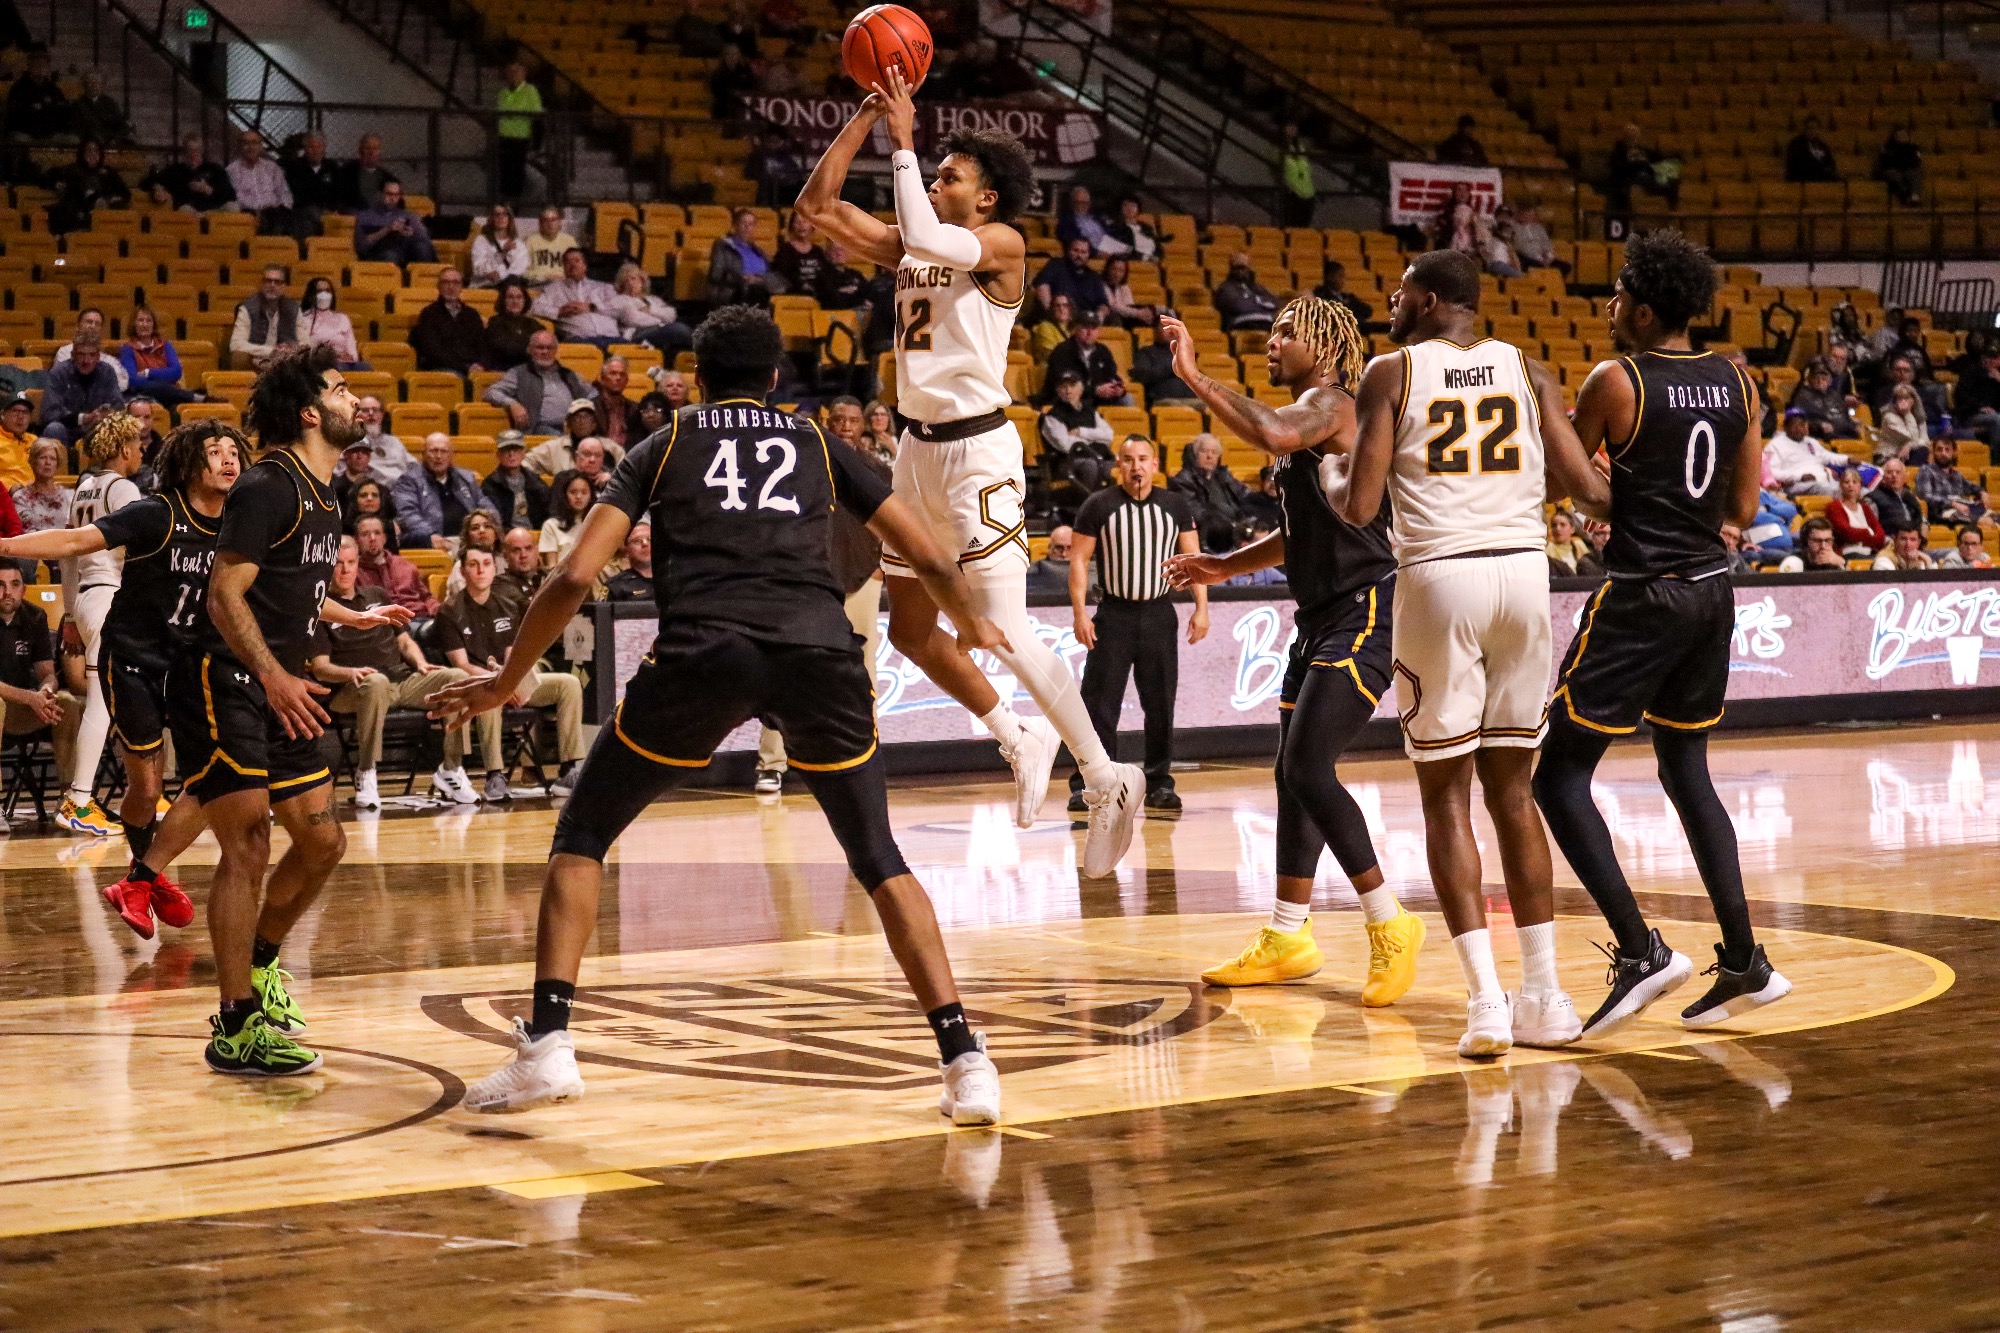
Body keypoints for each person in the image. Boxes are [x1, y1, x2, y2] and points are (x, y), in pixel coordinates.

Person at [432, 304, 1008, 1122]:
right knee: (880, 857)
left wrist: (503, 681)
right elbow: (930, 555)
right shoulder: (819, 442)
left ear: (696, 381)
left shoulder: (662, 444)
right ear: (777, 378)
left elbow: (569, 579)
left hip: (705, 652)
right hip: (818, 651)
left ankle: (549, 1046)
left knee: (584, 834)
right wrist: (969, 623)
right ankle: (964, 1060)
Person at [794, 71, 1148, 876]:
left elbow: (924, 235)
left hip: (977, 455)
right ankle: (1016, 732)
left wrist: (907, 140)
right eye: (937, 171)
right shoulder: (913, 245)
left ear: (986, 200)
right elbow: (816, 210)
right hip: (915, 452)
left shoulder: (1001, 247)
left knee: (1003, 626)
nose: (940, 178)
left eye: (954, 173)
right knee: (912, 631)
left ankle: (1104, 774)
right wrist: (863, 120)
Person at [1334, 249, 1610, 1056]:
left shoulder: (1391, 370)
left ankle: (1487, 1002)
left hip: (1440, 579)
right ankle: (1549, 998)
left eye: (1397, 289)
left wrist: (1330, 477)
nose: (1388, 298)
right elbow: (1583, 486)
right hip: (1524, 575)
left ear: (1426, 300)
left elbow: (1359, 504)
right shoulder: (1527, 368)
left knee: (1445, 798)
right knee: (1513, 793)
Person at [1530, 229, 1789, 1035]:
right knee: (1687, 770)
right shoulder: (1737, 382)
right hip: (1714, 591)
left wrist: (1543, 401)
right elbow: (1744, 513)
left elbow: (1566, 486)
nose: (1608, 307)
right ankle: (1745, 959)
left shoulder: (1617, 378)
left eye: (1615, 295)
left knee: (1557, 776)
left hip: (1646, 594)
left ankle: (1642, 951)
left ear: (1643, 308)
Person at [1157, 295, 1424, 1002]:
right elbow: (1300, 529)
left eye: (1285, 332)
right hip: (1318, 617)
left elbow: (1273, 433)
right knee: (1291, 773)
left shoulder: (1334, 403)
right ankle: (1287, 932)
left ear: (1326, 345)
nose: (1271, 342)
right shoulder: (1318, 418)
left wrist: (1194, 375)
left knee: (1308, 764)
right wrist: (1222, 566)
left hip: (1364, 608)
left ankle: (1389, 920)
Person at [175, 345, 402, 1076]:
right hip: (227, 679)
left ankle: (264, 962)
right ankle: (235, 1024)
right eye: (340, 389)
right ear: (310, 412)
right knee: (247, 846)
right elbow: (225, 594)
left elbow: (291, 590)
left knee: (324, 842)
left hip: (281, 683)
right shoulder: (268, 485)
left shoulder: (327, 492)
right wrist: (274, 675)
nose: (354, 398)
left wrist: (351, 617)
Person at [7, 423, 243, 911]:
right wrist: (7, 547)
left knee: (205, 779)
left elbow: (275, 590)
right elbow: (75, 543)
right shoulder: (154, 513)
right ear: (188, 463)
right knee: (148, 784)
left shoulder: (238, 527)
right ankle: (137, 868)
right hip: (133, 657)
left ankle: (140, 880)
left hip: (185, 663)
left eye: (234, 451)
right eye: (215, 451)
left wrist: (353, 614)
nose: (228, 459)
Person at [1066, 435, 1206, 814]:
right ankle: (1091, 782)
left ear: (1155, 464)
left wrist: (1201, 607)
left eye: (1143, 459)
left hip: (1160, 613)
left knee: (1160, 703)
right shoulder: (1099, 505)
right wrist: (1080, 613)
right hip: (1114, 615)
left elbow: (1193, 559)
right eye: (1128, 459)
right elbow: (1079, 560)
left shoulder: (1175, 504)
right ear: (1118, 465)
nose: (1136, 466)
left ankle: (1160, 782)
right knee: (1098, 704)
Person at [308, 536, 469, 809]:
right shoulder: (320, 608)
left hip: (400, 680)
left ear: (358, 564)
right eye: (338, 564)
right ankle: (366, 772)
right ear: (327, 566)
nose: (345, 570)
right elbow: (321, 668)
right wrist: (350, 673)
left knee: (456, 679)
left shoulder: (377, 595)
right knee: (376, 682)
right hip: (351, 690)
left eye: (350, 563)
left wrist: (420, 663)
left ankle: (451, 768)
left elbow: (405, 641)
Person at [46, 411, 146, 836]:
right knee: (105, 706)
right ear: (124, 449)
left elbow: (68, 554)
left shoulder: (83, 488)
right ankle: (79, 800)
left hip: (87, 597)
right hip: (109, 596)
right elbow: (140, 549)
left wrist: (70, 613)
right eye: (138, 444)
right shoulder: (123, 487)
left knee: (126, 700)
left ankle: (142, 788)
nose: (142, 451)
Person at [432, 543, 587, 800]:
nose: (481, 570)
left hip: (508, 677)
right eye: (473, 564)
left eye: (487, 564)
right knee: (490, 692)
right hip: (477, 682)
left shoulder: (508, 604)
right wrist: (501, 682)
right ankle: (495, 775)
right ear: (462, 570)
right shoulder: (449, 610)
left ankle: (568, 769)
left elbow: (513, 654)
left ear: (495, 569)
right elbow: (461, 664)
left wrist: (512, 680)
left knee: (567, 683)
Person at [0, 564, 83, 806]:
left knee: (66, 703)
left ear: (24, 590)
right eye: (1, 585)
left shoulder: (34, 616)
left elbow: (47, 672)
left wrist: (45, 691)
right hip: (6, 706)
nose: (8, 592)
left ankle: (70, 799)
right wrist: (30, 698)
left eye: (14, 585)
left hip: (23, 709)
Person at [392, 433, 498, 551]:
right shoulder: (409, 480)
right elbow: (407, 514)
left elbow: (487, 507)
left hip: (470, 541)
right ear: (423, 455)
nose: (438, 456)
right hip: (435, 543)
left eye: (444, 451)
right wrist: (429, 535)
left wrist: (491, 527)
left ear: (451, 455)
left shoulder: (466, 478)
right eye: (433, 451)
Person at [486, 331, 595, 434]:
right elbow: (492, 392)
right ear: (530, 350)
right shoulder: (519, 373)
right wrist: (512, 404)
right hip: (539, 427)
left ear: (556, 350)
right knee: (564, 442)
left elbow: (592, 394)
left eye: (550, 348)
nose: (545, 352)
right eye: (540, 347)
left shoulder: (569, 375)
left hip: (573, 427)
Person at [1037, 369, 1115, 499]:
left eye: (1073, 385)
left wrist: (1081, 432)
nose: (1068, 391)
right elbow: (1066, 446)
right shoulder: (1053, 416)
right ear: (1057, 390)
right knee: (1090, 466)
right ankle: (1087, 508)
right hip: (1066, 462)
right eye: (1063, 386)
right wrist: (1095, 438)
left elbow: (1109, 436)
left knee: (1112, 467)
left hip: (1094, 457)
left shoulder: (1089, 411)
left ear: (1082, 388)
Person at [1169, 434, 1252, 553]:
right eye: (1204, 451)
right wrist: (1232, 526)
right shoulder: (1183, 480)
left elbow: (1246, 497)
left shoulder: (1224, 477)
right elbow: (1196, 515)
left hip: (1236, 534)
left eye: (1214, 452)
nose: (1209, 456)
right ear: (1194, 454)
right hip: (1210, 538)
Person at [40, 332, 124, 447]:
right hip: (68, 430)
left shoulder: (107, 372)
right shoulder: (59, 372)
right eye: (81, 355)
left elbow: (118, 406)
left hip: (97, 430)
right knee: (54, 429)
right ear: (73, 355)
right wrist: (83, 418)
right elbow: (50, 413)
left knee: (117, 428)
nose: (86, 360)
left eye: (91, 355)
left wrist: (103, 415)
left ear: (98, 356)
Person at [531, 248, 622, 348]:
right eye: (567, 262)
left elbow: (620, 309)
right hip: (580, 340)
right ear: (564, 267)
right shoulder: (554, 288)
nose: (572, 264)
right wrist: (559, 311)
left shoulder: (603, 287)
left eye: (576, 260)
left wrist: (591, 307)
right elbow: (535, 308)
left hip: (613, 338)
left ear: (585, 266)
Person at [408, 268, 486, 376]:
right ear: (439, 287)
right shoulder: (429, 314)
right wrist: (465, 367)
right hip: (443, 368)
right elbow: (433, 352)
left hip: (472, 368)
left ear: (461, 287)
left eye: (456, 283)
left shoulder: (472, 315)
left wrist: (480, 364)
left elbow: (482, 345)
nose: (451, 287)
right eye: (446, 282)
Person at [353, 515, 435, 617]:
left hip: (421, 617)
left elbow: (427, 598)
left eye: (377, 533)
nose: (372, 538)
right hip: (389, 624)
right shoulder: (353, 572)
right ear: (356, 540)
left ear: (384, 538)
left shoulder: (404, 565)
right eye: (365, 534)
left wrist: (438, 612)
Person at [1043, 311, 1131, 407]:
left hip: (1099, 400)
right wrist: (1094, 390)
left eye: (1093, 328)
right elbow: (1063, 384)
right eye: (1085, 327)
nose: (1089, 332)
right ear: (1076, 328)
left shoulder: (1103, 351)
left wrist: (1117, 388)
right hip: (1070, 400)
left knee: (1126, 397)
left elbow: (1111, 375)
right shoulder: (1063, 351)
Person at [117, 306, 197, 407]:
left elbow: (176, 372)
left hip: (169, 395)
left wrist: (149, 372)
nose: (145, 324)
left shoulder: (165, 346)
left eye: (149, 321)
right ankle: (194, 397)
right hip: (144, 396)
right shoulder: (127, 349)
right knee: (154, 387)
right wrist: (163, 378)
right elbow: (132, 380)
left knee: (167, 398)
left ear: (153, 325)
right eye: (140, 320)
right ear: (134, 324)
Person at [48, 137, 130, 234]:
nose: (93, 154)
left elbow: (125, 194)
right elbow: (48, 177)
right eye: (89, 150)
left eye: (96, 151)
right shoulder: (71, 170)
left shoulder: (109, 173)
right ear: (82, 153)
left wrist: (109, 201)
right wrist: (56, 184)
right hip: (75, 219)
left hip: (102, 221)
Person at [609, 261, 690, 356]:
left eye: (636, 279)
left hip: (661, 330)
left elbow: (671, 315)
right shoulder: (620, 300)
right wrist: (660, 319)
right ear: (622, 283)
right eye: (628, 280)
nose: (632, 283)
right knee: (679, 329)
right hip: (637, 336)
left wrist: (650, 310)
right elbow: (633, 319)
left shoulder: (653, 299)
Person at [525, 399, 622, 476]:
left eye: (587, 417)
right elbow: (525, 463)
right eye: (577, 417)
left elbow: (627, 471)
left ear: (594, 423)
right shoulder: (553, 448)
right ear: (569, 423)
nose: (582, 421)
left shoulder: (610, 448)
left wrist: (611, 476)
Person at [230, 265, 301, 372]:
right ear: (262, 284)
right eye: (268, 281)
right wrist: (271, 351)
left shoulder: (294, 309)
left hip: (285, 364)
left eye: (277, 282)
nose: (272, 285)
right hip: (256, 361)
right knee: (239, 357)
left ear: (283, 286)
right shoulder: (247, 308)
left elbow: (305, 344)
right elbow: (236, 344)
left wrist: (289, 350)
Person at [142, 134, 235, 213]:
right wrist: (158, 187)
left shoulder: (215, 169)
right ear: (184, 151)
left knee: (233, 207)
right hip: (189, 211)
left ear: (202, 150)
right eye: (189, 150)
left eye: (196, 150)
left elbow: (229, 194)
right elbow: (146, 183)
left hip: (214, 210)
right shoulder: (175, 170)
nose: (193, 154)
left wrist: (208, 190)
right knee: (185, 210)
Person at [226, 129, 294, 235]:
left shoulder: (272, 168)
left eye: (254, 143)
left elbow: (285, 194)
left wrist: (281, 208)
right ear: (240, 146)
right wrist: (258, 211)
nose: (250, 147)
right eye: (246, 143)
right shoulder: (232, 170)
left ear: (260, 146)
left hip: (274, 215)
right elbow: (234, 197)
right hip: (247, 215)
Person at [1764, 409, 1845, 497]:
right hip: (1797, 485)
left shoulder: (1810, 442)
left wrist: (1847, 459)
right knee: (1828, 491)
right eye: (1794, 425)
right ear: (1785, 426)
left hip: (1823, 481)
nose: (1798, 429)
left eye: (1802, 425)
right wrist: (1799, 477)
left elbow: (1827, 456)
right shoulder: (1775, 445)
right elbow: (1771, 472)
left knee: (1854, 490)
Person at [354, 181, 437, 266]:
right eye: (389, 194)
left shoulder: (408, 216)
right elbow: (362, 247)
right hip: (379, 253)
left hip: (405, 252)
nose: (393, 198)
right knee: (391, 255)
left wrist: (412, 234)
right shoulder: (366, 216)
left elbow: (425, 239)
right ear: (380, 194)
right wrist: (386, 230)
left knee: (422, 248)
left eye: (396, 195)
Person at [494, 60, 542, 202]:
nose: (513, 75)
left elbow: (537, 116)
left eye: (516, 71)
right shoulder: (503, 92)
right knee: (503, 173)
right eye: (510, 72)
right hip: (504, 138)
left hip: (520, 138)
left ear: (524, 73)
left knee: (516, 172)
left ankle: (514, 204)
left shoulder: (530, 91)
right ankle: (503, 203)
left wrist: (536, 144)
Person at [707, 207, 775, 307]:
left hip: (759, 290)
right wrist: (743, 278)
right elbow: (716, 274)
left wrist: (759, 280)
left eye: (751, 224)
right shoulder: (723, 246)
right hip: (734, 292)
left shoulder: (758, 250)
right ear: (735, 226)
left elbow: (769, 273)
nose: (747, 227)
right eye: (743, 223)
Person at [1033, 237, 1110, 323]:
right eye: (1076, 250)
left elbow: (1103, 304)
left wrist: (1098, 316)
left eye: (1083, 252)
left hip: (1085, 321)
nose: (1079, 255)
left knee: (1113, 318)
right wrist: (1053, 312)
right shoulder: (1055, 265)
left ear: (1088, 255)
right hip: (1058, 315)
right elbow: (1042, 286)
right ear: (1069, 250)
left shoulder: (1094, 276)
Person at [483, 431, 550, 531]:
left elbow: (548, 513)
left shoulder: (535, 482)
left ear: (523, 454)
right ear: (498, 455)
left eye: (516, 449)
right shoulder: (490, 484)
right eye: (506, 450)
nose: (511, 454)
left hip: (535, 535)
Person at [1916, 436, 1989, 528]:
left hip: (1963, 510)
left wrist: (1982, 492)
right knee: (1984, 522)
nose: (1943, 453)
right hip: (1941, 514)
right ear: (1934, 452)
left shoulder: (1957, 475)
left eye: (1947, 450)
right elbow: (1925, 496)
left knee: (1995, 518)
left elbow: (1972, 487)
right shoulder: (1926, 470)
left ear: (1953, 453)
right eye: (1939, 450)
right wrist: (1952, 504)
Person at [297, 278, 364, 370]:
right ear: (312, 294)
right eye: (319, 291)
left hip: (345, 362)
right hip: (321, 363)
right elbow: (305, 348)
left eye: (327, 291)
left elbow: (352, 349)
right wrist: (333, 355)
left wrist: (351, 357)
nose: (324, 294)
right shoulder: (304, 318)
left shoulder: (343, 318)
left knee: (365, 367)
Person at [284, 132, 342, 236]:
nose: (315, 151)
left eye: (319, 147)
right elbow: (296, 195)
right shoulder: (294, 168)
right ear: (305, 149)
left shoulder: (332, 167)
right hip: (303, 212)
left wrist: (334, 209)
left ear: (324, 149)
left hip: (329, 211)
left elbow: (338, 193)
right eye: (311, 147)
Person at [12, 438, 71, 535]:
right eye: (43, 457)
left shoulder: (69, 496)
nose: (48, 462)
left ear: (57, 464)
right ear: (33, 462)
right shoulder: (20, 498)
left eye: (52, 459)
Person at [538, 470, 596, 569]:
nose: (578, 497)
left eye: (584, 492)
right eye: (573, 492)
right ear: (564, 495)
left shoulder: (597, 524)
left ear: (590, 496)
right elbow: (552, 567)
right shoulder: (551, 525)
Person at [353, 395, 415, 484]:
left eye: (375, 410)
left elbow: (413, 465)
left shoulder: (394, 441)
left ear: (382, 415)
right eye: (365, 410)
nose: (371, 413)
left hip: (402, 489)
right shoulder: (351, 443)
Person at [1827, 466, 1887, 557]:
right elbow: (1847, 534)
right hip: (1848, 553)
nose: (1850, 485)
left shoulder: (1865, 508)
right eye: (1846, 482)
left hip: (1870, 552)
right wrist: (1868, 532)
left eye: (1854, 482)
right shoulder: (1835, 506)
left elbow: (1880, 535)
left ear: (1860, 486)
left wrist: (1862, 537)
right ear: (1841, 485)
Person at [483, 277, 541, 370]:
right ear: (503, 300)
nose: (515, 301)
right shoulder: (495, 322)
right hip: (505, 371)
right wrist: (530, 349)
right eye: (510, 297)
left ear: (525, 300)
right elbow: (507, 350)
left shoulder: (534, 325)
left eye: (519, 297)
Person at [1213, 253, 1280, 332]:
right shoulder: (1225, 288)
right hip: (1243, 325)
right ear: (1231, 269)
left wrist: (1251, 302)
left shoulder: (1257, 287)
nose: (1241, 271)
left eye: (1244, 268)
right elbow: (1238, 307)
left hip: (1267, 324)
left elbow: (1276, 304)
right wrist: (1261, 305)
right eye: (1237, 268)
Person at [1789, 358, 1855, 439]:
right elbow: (1795, 421)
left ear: (1830, 380)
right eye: (1817, 378)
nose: (1820, 381)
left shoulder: (1835, 395)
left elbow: (1845, 417)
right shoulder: (1802, 396)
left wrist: (1853, 424)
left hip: (1847, 436)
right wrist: (1819, 425)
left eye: (1824, 378)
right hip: (1824, 438)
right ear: (1810, 379)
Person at [469, 203, 529, 287]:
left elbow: (520, 269)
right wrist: (502, 254)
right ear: (492, 218)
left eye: (505, 214)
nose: (501, 217)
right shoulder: (481, 240)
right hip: (485, 285)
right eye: (497, 214)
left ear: (510, 219)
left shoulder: (518, 243)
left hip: (509, 285)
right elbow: (478, 269)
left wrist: (502, 275)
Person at [1869, 456, 1924, 537]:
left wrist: (1921, 540)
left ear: (1904, 477)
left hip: (1913, 543)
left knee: (1948, 550)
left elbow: (1923, 520)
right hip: (1890, 545)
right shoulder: (1873, 498)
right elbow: (1871, 530)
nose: (1894, 475)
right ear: (1883, 478)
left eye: (1898, 472)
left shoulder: (1910, 496)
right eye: (1889, 472)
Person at [70, 70, 129, 146]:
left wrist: (115, 139)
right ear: (84, 85)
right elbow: (75, 128)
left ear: (102, 85)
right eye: (90, 82)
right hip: (86, 145)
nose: (94, 85)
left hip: (108, 144)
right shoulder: (77, 105)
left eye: (97, 82)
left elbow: (121, 124)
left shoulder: (110, 103)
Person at [337, 133, 393, 213]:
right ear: (360, 151)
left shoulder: (387, 177)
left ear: (380, 152)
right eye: (368, 148)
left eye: (375, 148)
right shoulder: (346, 173)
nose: (372, 152)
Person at [1277, 122, 1317, 227]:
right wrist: (1286, 185)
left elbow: (1306, 168)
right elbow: (1278, 170)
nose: (1292, 130)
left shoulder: (1300, 147)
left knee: (1303, 228)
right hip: (1292, 193)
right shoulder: (1281, 149)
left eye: (1293, 127)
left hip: (1308, 193)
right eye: (1289, 127)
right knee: (1291, 227)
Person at [524, 206, 576, 285]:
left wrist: (565, 276)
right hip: (539, 284)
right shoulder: (530, 241)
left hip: (564, 284)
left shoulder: (569, 241)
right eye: (546, 220)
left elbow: (577, 268)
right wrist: (544, 276)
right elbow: (522, 271)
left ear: (559, 222)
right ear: (540, 223)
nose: (550, 224)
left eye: (553, 220)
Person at [591, 357, 635, 448]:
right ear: (602, 379)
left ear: (626, 381)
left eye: (622, 374)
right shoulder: (591, 407)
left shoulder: (634, 409)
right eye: (613, 373)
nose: (618, 378)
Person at [1875, 126, 1923, 206]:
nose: (1902, 137)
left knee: (1915, 173)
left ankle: (1915, 198)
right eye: (1899, 135)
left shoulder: (1913, 148)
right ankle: (1904, 192)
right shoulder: (1887, 147)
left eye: (1904, 135)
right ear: (1895, 137)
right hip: (1891, 170)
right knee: (1894, 174)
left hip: (1908, 169)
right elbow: (1884, 163)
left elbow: (1917, 161)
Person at [606, 522, 654, 601]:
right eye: (637, 541)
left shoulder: (676, 578)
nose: (645, 544)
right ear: (626, 549)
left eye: (650, 539)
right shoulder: (616, 586)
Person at [1102, 256, 1153, 330]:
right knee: (1115, 318)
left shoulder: (1124, 287)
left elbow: (1129, 306)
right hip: (1108, 318)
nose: (1117, 273)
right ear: (1108, 269)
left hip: (1125, 317)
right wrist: (1138, 313)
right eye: (1114, 269)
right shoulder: (1100, 285)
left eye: (1121, 270)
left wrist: (1141, 313)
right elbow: (1112, 306)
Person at [1785, 116, 1841, 183]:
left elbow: (1831, 163)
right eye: (1809, 128)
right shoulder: (1796, 144)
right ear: (1805, 129)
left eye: (1814, 128)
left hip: (1821, 178)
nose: (1811, 131)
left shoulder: (1823, 146)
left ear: (1818, 130)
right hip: (1802, 179)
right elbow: (1798, 165)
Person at [1105, 195, 1160, 262]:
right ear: (1120, 208)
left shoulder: (1147, 228)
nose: (1129, 208)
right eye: (1126, 205)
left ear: (1138, 209)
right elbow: (1122, 249)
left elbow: (1158, 248)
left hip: (1153, 262)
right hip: (1132, 262)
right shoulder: (1115, 227)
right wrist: (1145, 257)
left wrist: (1157, 257)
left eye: (1133, 205)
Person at [1026, 524, 1075, 595]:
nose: (1064, 554)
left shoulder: (1088, 571)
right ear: (1049, 548)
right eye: (1059, 548)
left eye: (1070, 548)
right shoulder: (1032, 573)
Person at [0, 395, 33, 490]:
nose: (20, 417)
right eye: (15, 411)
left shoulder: (35, 441)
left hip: (35, 495)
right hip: (6, 496)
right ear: (2, 415)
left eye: (25, 412)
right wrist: (9, 488)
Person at [1545, 508, 1591, 574]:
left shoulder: (1578, 544)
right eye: (1554, 525)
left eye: (1562, 525)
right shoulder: (1548, 548)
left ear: (1572, 529)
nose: (1558, 529)